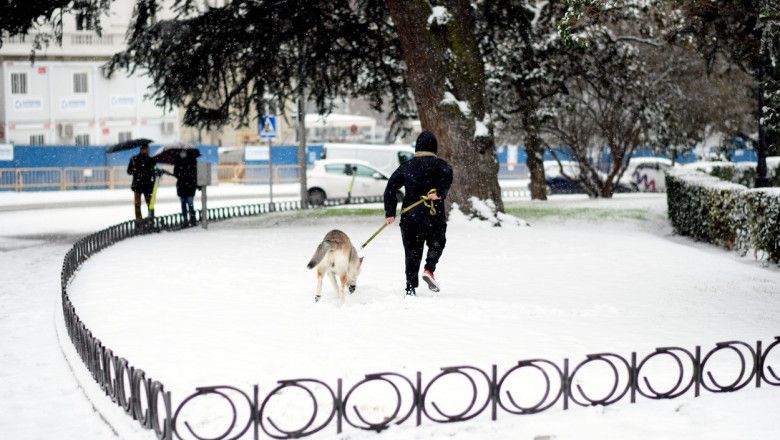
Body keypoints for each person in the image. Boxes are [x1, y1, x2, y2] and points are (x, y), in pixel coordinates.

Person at [383, 131, 453, 296]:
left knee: (412, 252)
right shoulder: (441, 165)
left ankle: (410, 286)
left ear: (417, 147)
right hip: (433, 216)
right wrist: (439, 193)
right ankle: (429, 269)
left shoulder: (407, 166)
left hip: (411, 217)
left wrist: (390, 212)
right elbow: (447, 175)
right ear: (434, 148)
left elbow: (391, 187)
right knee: (437, 242)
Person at [126, 144, 156, 221]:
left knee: (149, 204)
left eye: (147, 149)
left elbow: (154, 170)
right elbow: (129, 171)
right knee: (138, 204)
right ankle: (139, 220)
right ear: (141, 149)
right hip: (139, 185)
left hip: (146, 185)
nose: (147, 150)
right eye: (145, 149)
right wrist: (134, 170)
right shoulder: (134, 159)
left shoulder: (151, 160)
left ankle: (150, 218)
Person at [173, 151, 199, 226]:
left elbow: (194, 173)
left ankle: (190, 219)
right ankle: (188, 220)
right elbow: (176, 173)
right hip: (184, 186)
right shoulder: (179, 161)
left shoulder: (191, 161)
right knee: (186, 203)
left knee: (188, 203)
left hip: (188, 186)